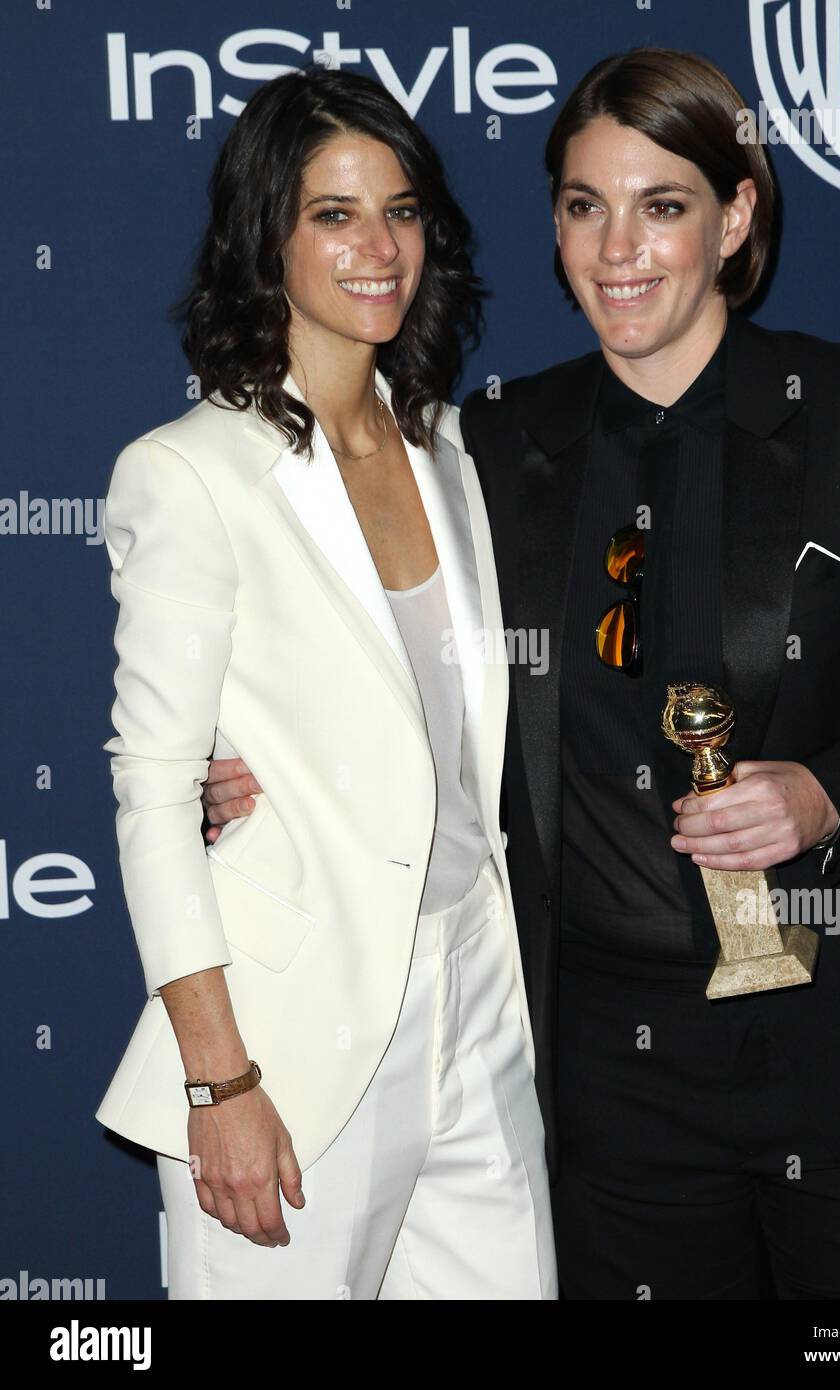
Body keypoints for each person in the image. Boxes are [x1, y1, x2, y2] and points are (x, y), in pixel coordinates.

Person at [206, 48, 840, 1299]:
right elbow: (383, 660)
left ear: (734, 217)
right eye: (583, 205)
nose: (617, 246)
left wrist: (826, 796)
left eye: (663, 204)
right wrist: (247, 770)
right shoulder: (485, 444)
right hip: (607, 1066)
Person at [96, 64, 556, 1301]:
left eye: (401, 210)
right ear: (267, 236)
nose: (379, 247)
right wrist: (219, 1082)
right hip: (290, 1035)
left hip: (477, 998)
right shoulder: (190, 473)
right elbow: (151, 796)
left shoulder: (447, 450)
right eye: (334, 214)